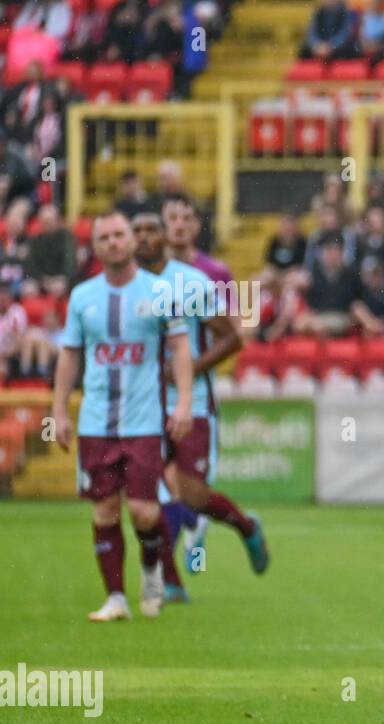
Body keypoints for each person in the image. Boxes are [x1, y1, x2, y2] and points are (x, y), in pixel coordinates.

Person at [51, 211, 194, 622]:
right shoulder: (82, 297)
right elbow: (70, 355)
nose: (114, 242)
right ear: (95, 247)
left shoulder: (161, 291)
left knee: (144, 512)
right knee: (104, 510)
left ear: (132, 241)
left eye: (120, 235)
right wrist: (59, 410)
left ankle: (153, 573)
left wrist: (183, 401)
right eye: (105, 237)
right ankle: (116, 598)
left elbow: (181, 348)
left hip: (145, 422)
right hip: (97, 422)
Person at [138, 209, 268, 603]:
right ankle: (172, 579)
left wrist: (187, 370)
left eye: (153, 230)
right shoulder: (124, 284)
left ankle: (245, 527)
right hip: (143, 404)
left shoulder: (201, 278)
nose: (146, 237)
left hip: (190, 400)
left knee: (192, 494)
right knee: (151, 495)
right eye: (138, 230)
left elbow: (233, 335)